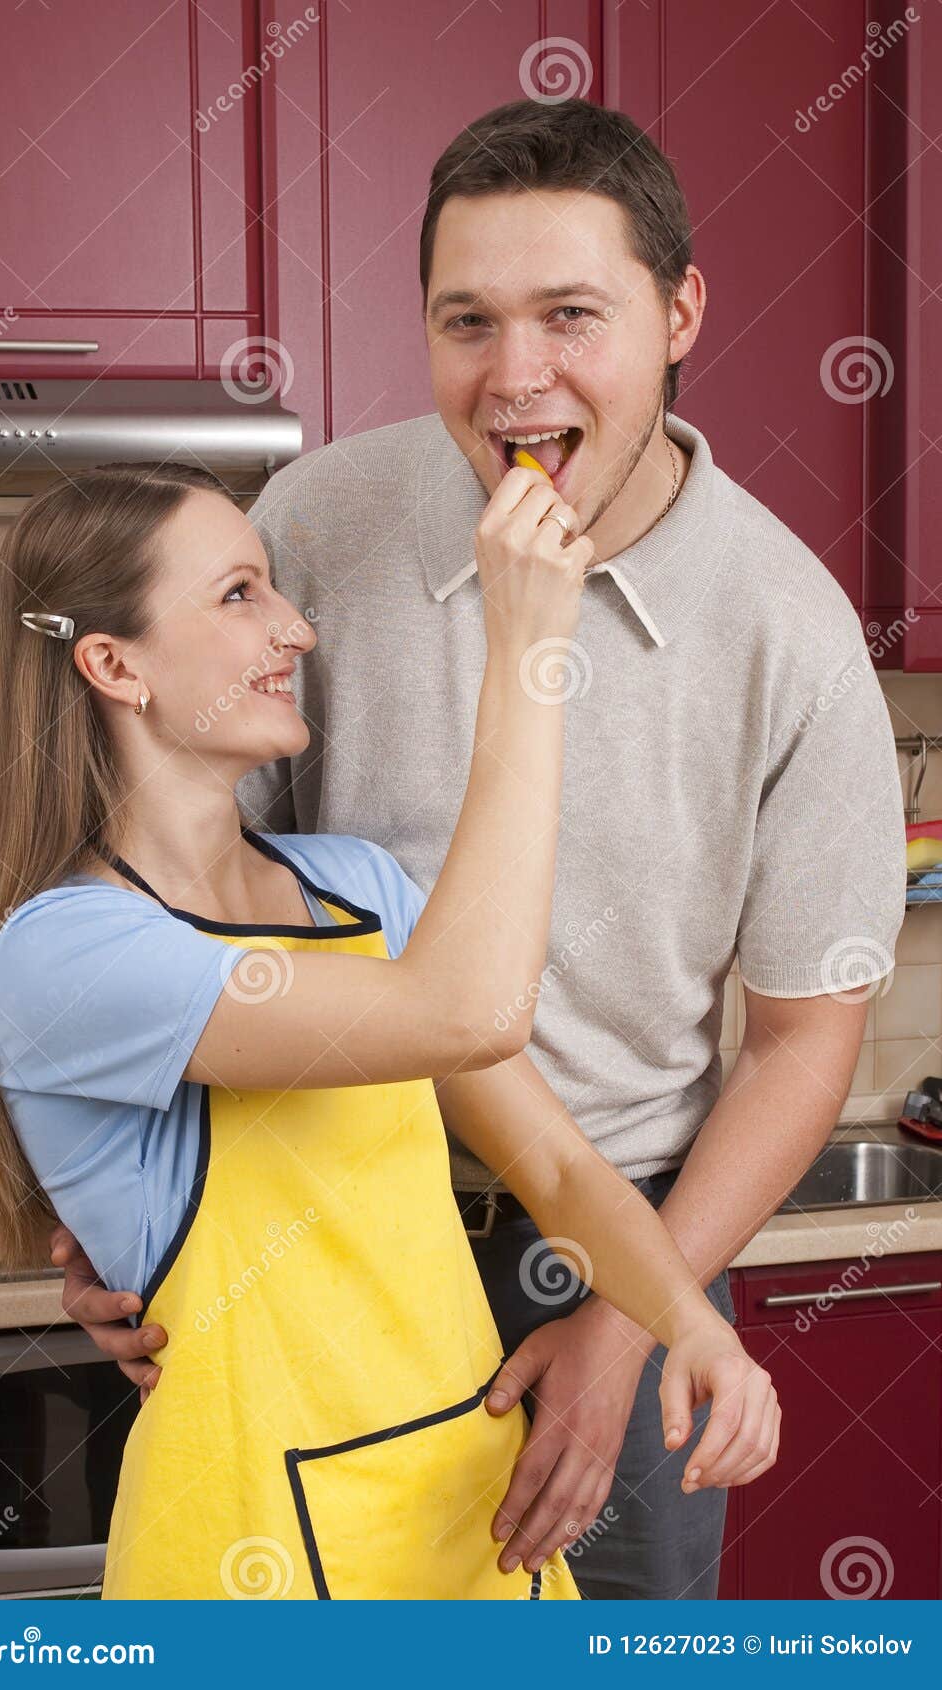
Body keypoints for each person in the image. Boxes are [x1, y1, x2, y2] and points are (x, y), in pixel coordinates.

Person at [55, 97, 906, 1600]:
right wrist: (109, 1196)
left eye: (569, 315)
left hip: (612, 1238)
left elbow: (795, 1043)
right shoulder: (317, 522)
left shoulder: (788, 629)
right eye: (468, 321)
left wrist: (630, 1317)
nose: (515, 379)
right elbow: (173, 892)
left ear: (678, 310)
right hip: (301, 1226)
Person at [0, 460, 778, 1601]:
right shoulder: (70, 953)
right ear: (113, 664)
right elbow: (467, 1010)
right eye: (241, 593)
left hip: (471, 1528)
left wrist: (692, 1326)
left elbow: (550, 1158)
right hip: (255, 1553)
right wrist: (525, 653)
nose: (294, 627)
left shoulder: (357, 888)